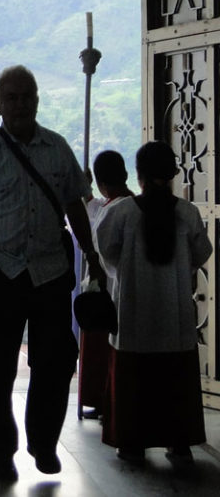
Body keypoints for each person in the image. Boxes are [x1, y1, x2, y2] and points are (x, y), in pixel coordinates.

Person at [0, 65, 103, 483]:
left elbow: (74, 206)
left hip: (50, 272)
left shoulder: (57, 148)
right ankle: (0, 452)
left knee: (57, 359)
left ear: (37, 100)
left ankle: (44, 442)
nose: (20, 104)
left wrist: (91, 253)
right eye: (11, 97)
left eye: (27, 96)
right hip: (1, 274)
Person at [96, 141, 212, 465]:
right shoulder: (187, 213)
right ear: (174, 173)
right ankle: (178, 442)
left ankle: (131, 441)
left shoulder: (120, 213)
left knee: (135, 375)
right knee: (174, 376)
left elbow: (107, 253)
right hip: (175, 309)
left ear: (139, 174)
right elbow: (202, 253)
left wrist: (128, 272)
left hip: (133, 306)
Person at [77, 151, 134, 419]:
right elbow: (94, 209)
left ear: (101, 182)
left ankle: (104, 400)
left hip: (109, 286)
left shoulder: (117, 208)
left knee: (105, 347)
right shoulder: (126, 203)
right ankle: (104, 400)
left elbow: (100, 244)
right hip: (116, 286)